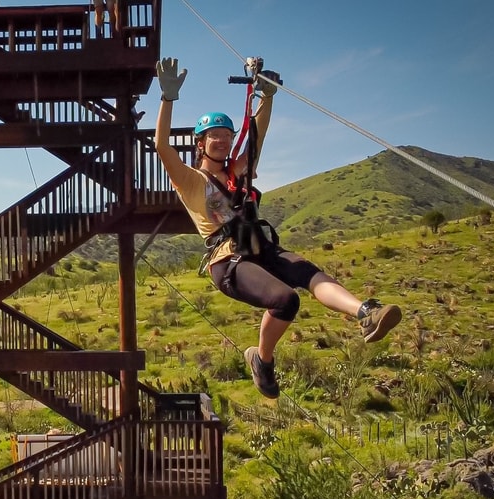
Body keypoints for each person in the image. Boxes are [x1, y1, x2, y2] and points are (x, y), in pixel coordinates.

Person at [153, 57, 401, 399]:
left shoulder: (238, 171)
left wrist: (266, 96)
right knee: (286, 300)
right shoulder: (192, 181)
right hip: (230, 261)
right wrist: (167, 99)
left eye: (227, 135)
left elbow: (258, 134)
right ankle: (262, 360)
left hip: (260, 247)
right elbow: (162, 148)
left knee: (311, 274)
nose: (222, 141)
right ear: (200, 143)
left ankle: (366, 313)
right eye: (214, 136)